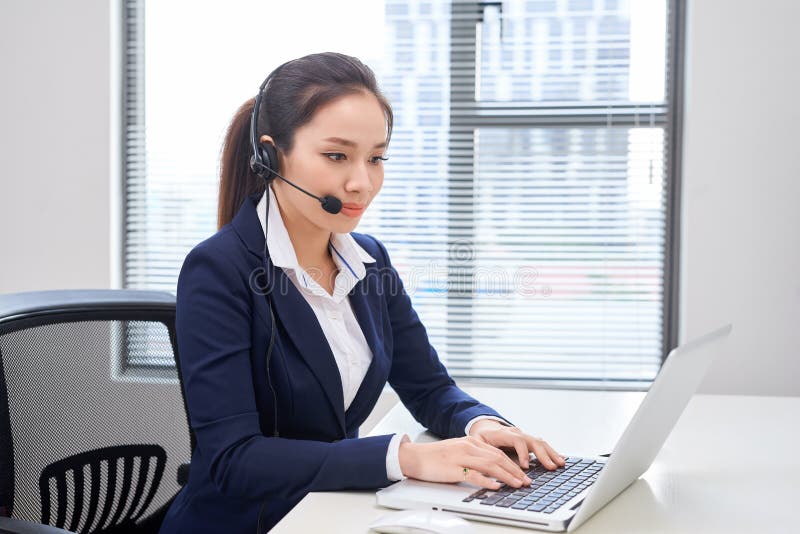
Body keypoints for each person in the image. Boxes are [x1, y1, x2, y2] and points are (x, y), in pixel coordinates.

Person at [159, 52, 565, 534]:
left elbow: (430, 386)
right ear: (271, 155)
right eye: (337, 156)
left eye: (376, 158)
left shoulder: (368, 261)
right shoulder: (219, 270)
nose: (362, 183)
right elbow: (233, 458)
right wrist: (406, 458)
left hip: (334, 512)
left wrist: (485, 427)